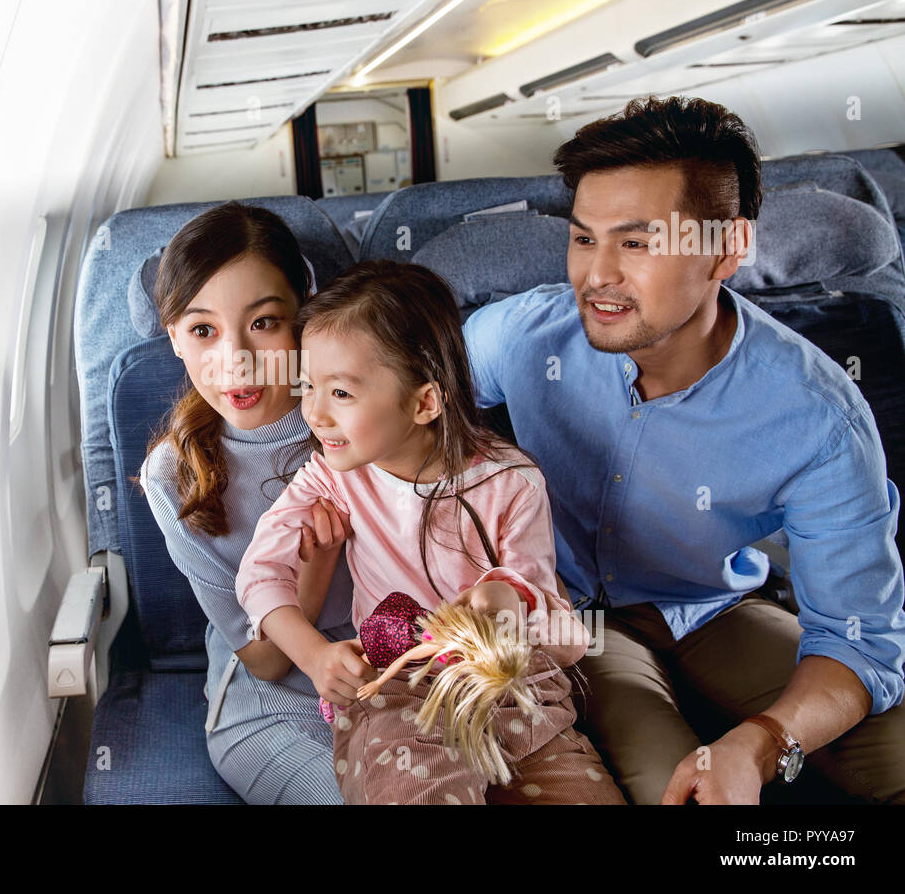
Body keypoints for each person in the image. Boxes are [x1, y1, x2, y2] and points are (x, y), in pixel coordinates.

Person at [463, 95, 905, 804]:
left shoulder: (817, 415)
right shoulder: (523, 336)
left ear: (729, 248)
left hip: (714, 607)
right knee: (670, 785)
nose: (596, 275)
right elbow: (393, 395)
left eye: (636, 243)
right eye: (584, 239)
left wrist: (763, 741)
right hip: (576, 621)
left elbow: (857, 639)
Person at [235, 261, 625, 804]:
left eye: (341, 394)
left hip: (510, 689)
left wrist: (508, 599)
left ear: (424, 402)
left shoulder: (512, 482)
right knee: (413, 783)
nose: (315, 414)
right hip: (397, 692)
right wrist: (315, 657)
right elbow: (259, 574)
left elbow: (561, 634)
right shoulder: (331, 476)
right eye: (308, 387)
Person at [139, 200, 360, 804]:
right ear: (175, 341)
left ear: (303, 315)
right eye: (203, 330)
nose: (235, 359)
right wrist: (313, 568)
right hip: (275, 704)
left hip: (402, 667)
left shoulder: (366, 414)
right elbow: (263, 661)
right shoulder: (174, 476)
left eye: (263, 322)